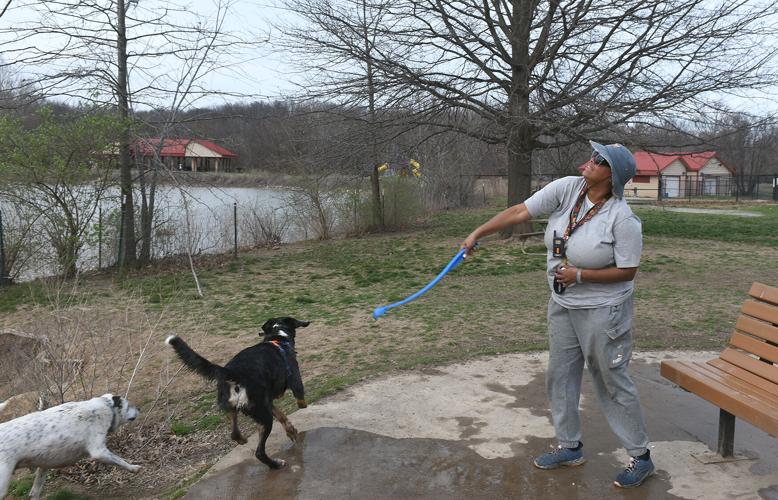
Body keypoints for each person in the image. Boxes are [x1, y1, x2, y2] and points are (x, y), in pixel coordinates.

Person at [461, 141, 653, 489]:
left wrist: (580, 275)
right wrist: (479, 233)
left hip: (603, 310)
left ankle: (640, 456)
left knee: (610, 379)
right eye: (592, 156)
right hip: (563, 304)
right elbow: (521, 210)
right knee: (560, 375)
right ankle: (569, 446)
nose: (588, 162)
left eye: (597, 160)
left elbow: (628, 271)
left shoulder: (623, 218)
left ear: (612, 175)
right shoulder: (568, 188)